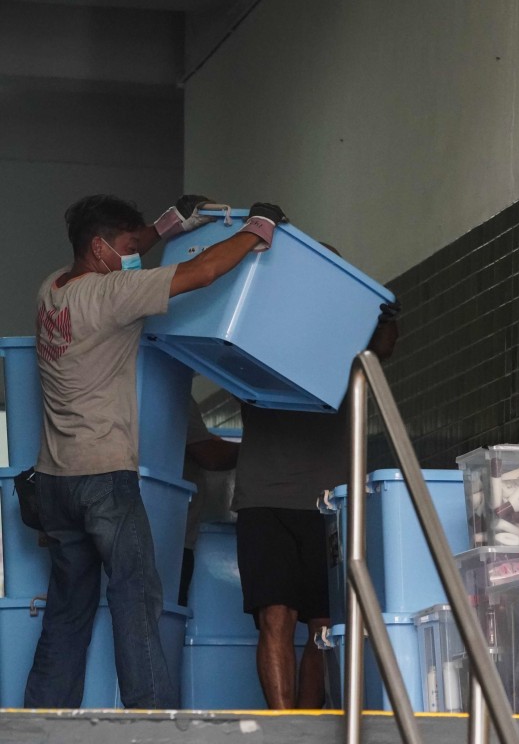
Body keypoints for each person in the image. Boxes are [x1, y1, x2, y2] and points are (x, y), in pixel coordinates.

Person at [25, 193, 286, 709]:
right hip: (103, 480)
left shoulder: (51, 290)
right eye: (125, 247)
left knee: (67, 612)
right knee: (137, 601)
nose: (134, 255)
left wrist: (171, 221)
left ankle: (41, 725)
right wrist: (259, 227)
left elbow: (138, 242)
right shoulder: (112, 293)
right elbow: (206, 272)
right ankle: (151, 724)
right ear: (99, 249)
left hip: (54, 481)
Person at [232, 291, 400, 710]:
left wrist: (380, 311)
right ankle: (284, 729)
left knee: (326, 626)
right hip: (264, 499)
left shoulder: (345, 338)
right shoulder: (254, 333)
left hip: (330, 502)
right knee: (276, 617)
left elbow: (382, 347)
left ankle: (307, 724)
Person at [178, 397, 240, 607]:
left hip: (167, 532)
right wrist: (257, 450)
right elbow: (209, 455)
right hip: (174, 539)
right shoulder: (175, 393)